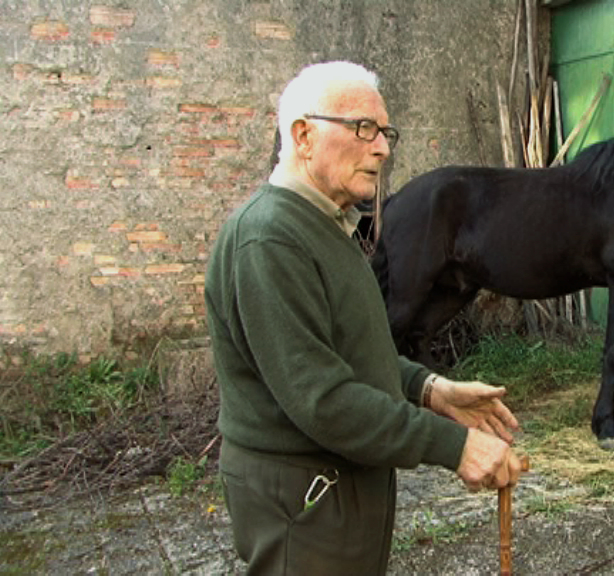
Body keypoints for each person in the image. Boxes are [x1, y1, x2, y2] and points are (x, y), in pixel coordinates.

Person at [204, 60, 523, 574]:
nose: (383, 147)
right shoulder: (269, 239)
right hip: (304, 500)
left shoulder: (322, 225)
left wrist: (429, 389)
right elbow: (323, 399)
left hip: (335, 488)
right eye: (363, 129)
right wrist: (453, 444)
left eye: (384, 131)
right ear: (304, 135)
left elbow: (350, 350)